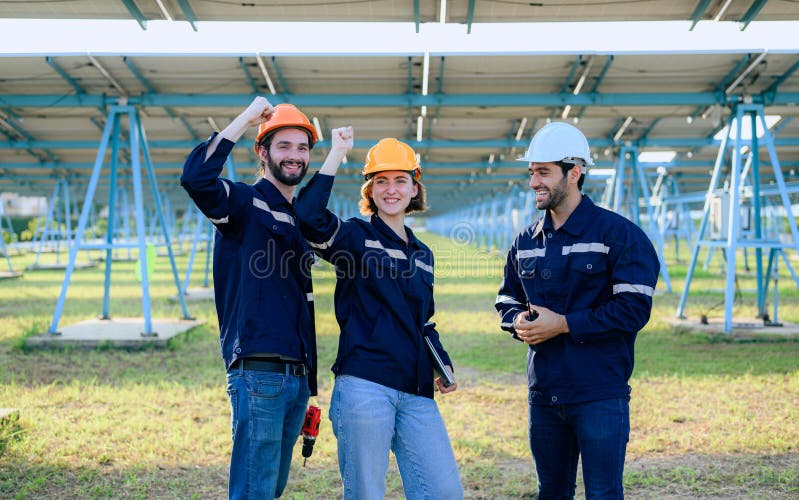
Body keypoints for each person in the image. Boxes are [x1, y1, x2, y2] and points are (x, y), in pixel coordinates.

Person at [494, 122, 660, 499]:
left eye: (544, 172)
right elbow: (506, 298)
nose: (534, 181)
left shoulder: (619, 236)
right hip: (545, 394)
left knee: (602, 493)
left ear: (574, 172)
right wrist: (516, 320)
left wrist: (566, 325)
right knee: (551, 492)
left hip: (599, 393)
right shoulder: (525, 240)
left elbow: (633, 309)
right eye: (532, 172)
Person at [295, 136, 463, 500]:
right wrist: (338, 153)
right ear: (369, 189)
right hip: (365, 387)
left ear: (414, 187)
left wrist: (440, 363)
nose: (391, 190)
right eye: (380, 181)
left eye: (400, 180)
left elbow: (424, 322)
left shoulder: (424, 254)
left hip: (417, 391)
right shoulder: (357, 237)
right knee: (366, 494)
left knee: (444, 492)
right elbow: (307, 216)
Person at [181, 97, 333, 499]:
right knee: (254, 491)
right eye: (284, 146)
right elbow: (196, 178)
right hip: (259, 372)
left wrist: (310, 384)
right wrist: (247, 119)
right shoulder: (243, 204)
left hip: (296, 378)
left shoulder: (298, 220)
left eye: (303, 148)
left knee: (271, 488)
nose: (295, 156)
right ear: (262, 151)